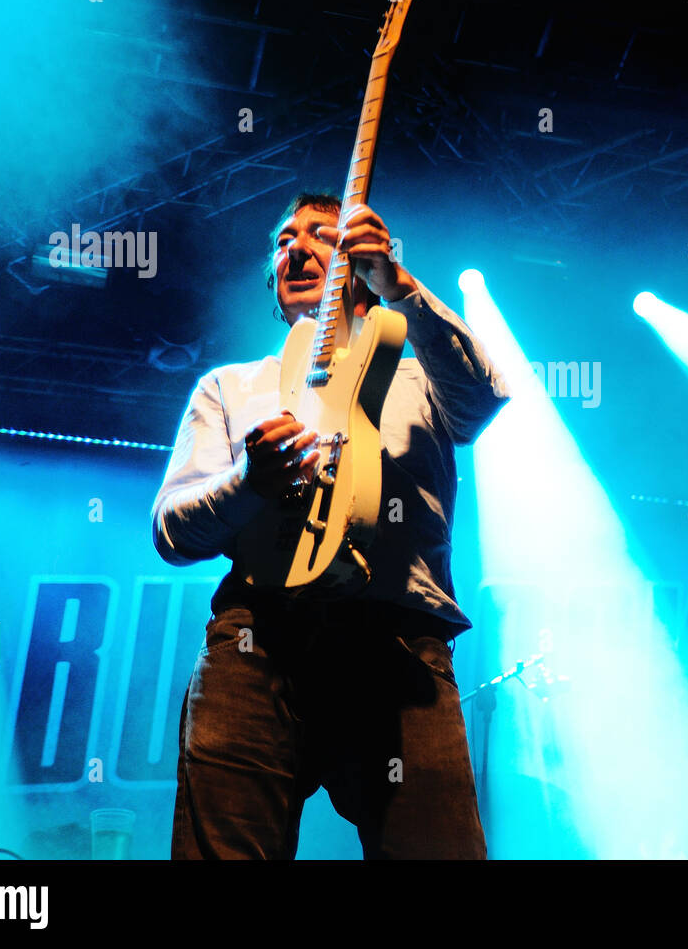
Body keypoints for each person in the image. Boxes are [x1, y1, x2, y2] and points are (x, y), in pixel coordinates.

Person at [151, 192, 507, 859]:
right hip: (257, 639)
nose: (296, 246)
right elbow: (173, 533)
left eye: (321, 234)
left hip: (398, 646)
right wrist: (248, 483)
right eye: (285, 239)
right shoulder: (230, 387)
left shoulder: (419, 372)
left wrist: (401, 287)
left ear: (360, 266)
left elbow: (481, 400)